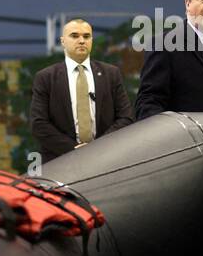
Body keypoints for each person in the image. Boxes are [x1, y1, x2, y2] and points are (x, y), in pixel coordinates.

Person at [30, 18, 133, 163]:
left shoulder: (111, 74)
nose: (81, 41)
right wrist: (74, 150)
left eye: (86, 36)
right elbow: (38, 124)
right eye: (74, 36)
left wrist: (98, 147)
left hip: (107, 159)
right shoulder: (45, 77)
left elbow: (125, 118)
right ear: (62, 41)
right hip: (60, 161)